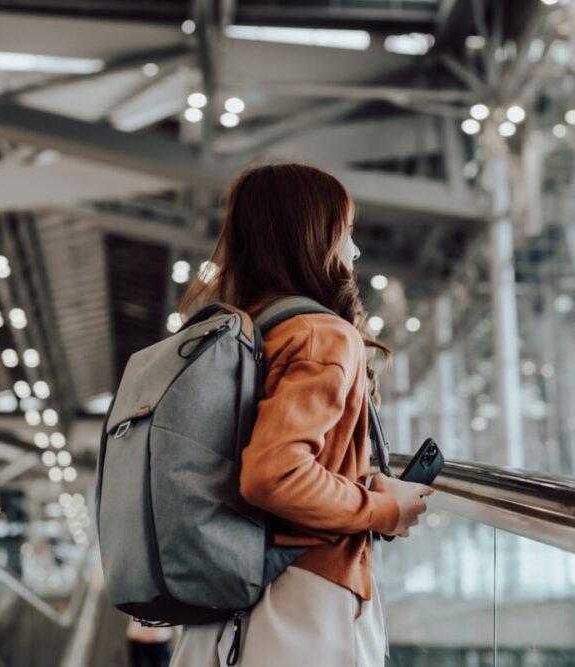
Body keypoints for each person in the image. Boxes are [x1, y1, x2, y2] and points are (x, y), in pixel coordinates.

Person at [169, 163, 432, 666]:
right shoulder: (321, 334)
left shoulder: (239, 334)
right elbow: (274, 474)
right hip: (302, 608)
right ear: (312, 238)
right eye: (346, 232)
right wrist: (383, 509)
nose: (354, 251)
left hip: (228, 600)